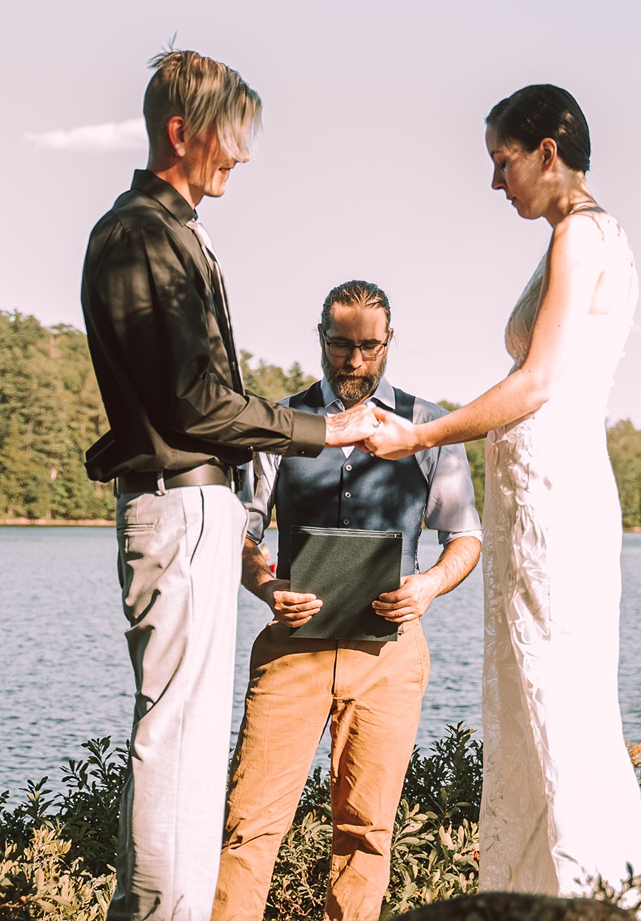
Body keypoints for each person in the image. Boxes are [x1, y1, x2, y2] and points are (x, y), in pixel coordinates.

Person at [80, 50, 381, 921]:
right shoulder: (144, 234)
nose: (241, 155)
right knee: (178, 739)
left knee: (189, 737)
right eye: (232, 136)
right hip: (181, 507)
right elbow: (195, 401)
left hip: (188, 504)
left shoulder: (158, 232)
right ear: (183, 131)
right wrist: (331, 428)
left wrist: (127, 439)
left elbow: (164, 396)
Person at [361, 84, 641, 914]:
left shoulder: (579, 235)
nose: (497, 185)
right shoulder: (593, 235)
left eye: (503, 163)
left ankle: (592, 900)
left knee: (558, 700)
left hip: (555, 495)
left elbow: (535, 383)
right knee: (539, 698)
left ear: (546, 151)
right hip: (544, 491)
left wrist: (421, 437)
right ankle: (549, 896)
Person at [214, 280, 482, 921]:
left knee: (367, 833)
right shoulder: (279, 425)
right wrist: (268, 586)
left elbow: (465, 537)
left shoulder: (429, 426)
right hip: (291, 651)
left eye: (368, 346)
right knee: (249, 825)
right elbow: (238, 534)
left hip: (390, 656)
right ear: (321, 340)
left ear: (389, 342)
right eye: (341, 344)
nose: (354, 360)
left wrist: (427, 586)